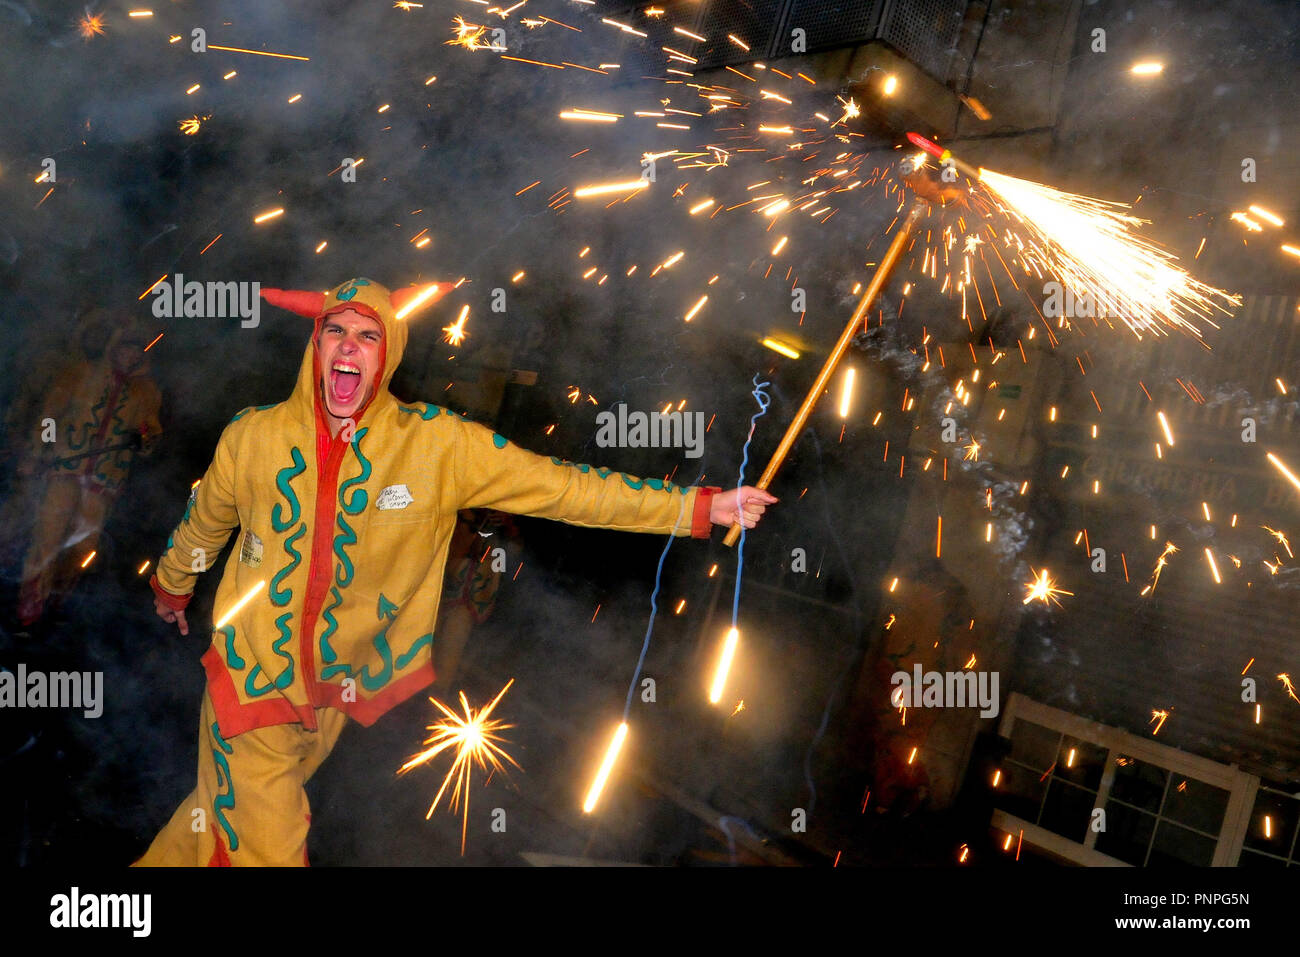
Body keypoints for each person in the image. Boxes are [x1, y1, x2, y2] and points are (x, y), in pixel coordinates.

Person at [137, 277, 776, 866]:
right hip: (247, 684)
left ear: (386, 355)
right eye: (336, 329)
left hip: (336, 691)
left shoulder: (438, 446)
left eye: (368, 334)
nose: (349, 346)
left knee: (216, 816)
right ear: (316, 342)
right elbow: (206, 524)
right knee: (267, 842)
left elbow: (564, 489)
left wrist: (700, 506)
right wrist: (173, 583)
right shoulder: (252, 436)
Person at [6, 311, 162, 626]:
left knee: (83, 548)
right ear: (114, 348)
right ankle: (30, 604)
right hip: (66, 467)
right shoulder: (79, 375)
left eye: (137, 350)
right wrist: (40, 450)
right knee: (48, 536)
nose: (130, 355)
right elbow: (50, 416)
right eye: (125, 348)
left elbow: (152, 433)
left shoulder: (147, 393)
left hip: (104, 480)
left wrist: (142, 437)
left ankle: (58, 594)